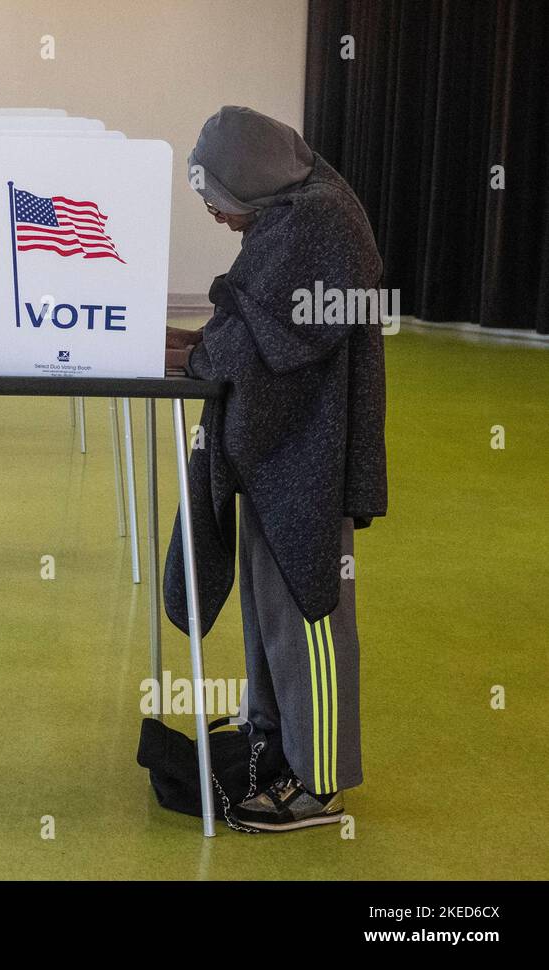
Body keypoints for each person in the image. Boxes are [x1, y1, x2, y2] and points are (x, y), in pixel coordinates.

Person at [164, 106, 387, 831]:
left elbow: (270, 337)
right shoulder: (301, 196)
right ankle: (275, 734)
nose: (219, 218)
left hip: (308, 449)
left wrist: (193, 353)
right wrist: (198, 347)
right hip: (285, 439)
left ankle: (321, 782)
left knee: (310, 609)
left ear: (250, 185)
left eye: (219, 204)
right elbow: (259, 320)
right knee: (271, 606)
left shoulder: (315, 223)